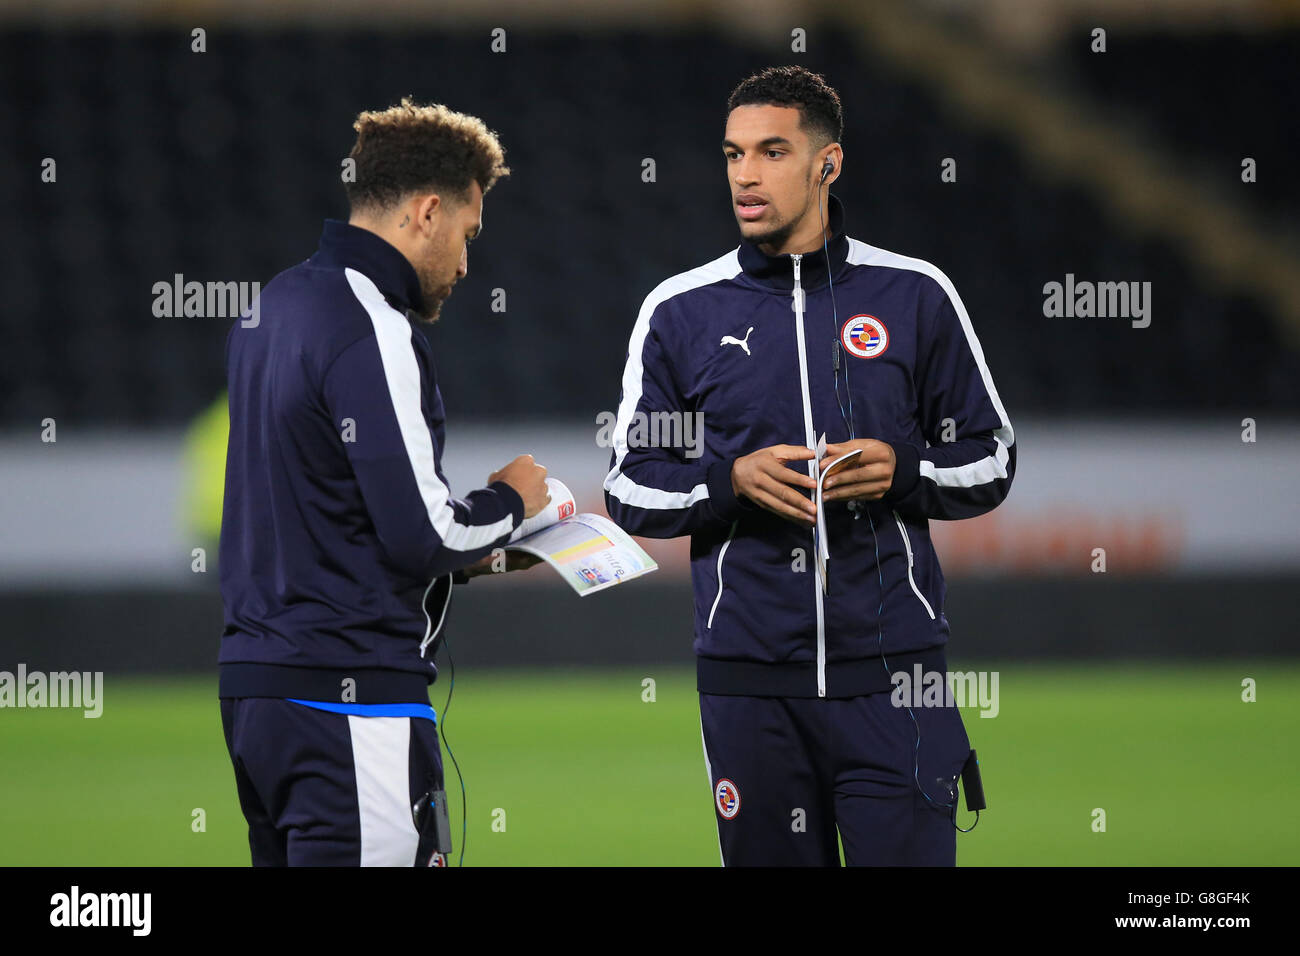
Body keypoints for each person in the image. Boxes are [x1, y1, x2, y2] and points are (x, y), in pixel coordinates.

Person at [603, 66, 1015, 866]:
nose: (745, 176)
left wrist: (906, 470)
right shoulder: (680, 311)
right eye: (732, 154)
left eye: (771, 152)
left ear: (827, 164)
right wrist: (727, 483)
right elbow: (629, 482)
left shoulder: (915, 295)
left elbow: (991, 458)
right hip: (750, 688)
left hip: (898, 683)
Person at [218, 99, 549, 866]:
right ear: (428, 211)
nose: (467, 265)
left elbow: (340, 522)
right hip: (349, 701)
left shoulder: (273, 305)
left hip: (258, 696)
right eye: (467, 236)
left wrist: (490, 556)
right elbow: (423, 532)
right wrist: (516, 503)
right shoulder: (372, 321)